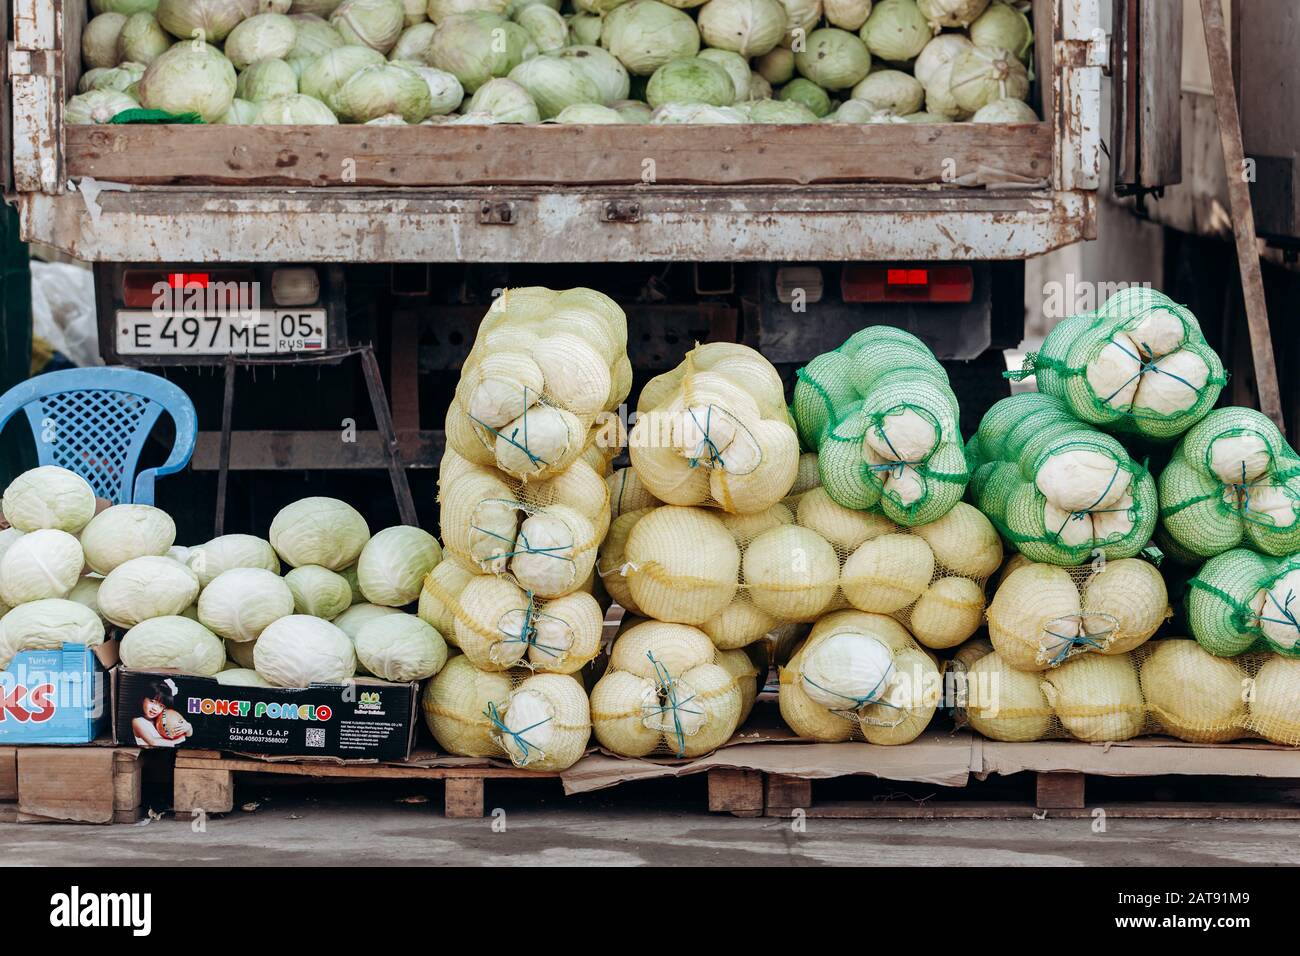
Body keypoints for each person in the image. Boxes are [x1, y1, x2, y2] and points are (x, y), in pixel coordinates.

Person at [131, 679, 193, 748]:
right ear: (143, 699)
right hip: (147, 756)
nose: (155, 708)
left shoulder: (161, 720)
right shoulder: (137, 721)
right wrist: (176, 741)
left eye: (161, 706)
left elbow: (187, 734)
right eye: (152, 701)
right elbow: (153, 742)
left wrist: (188, 727)